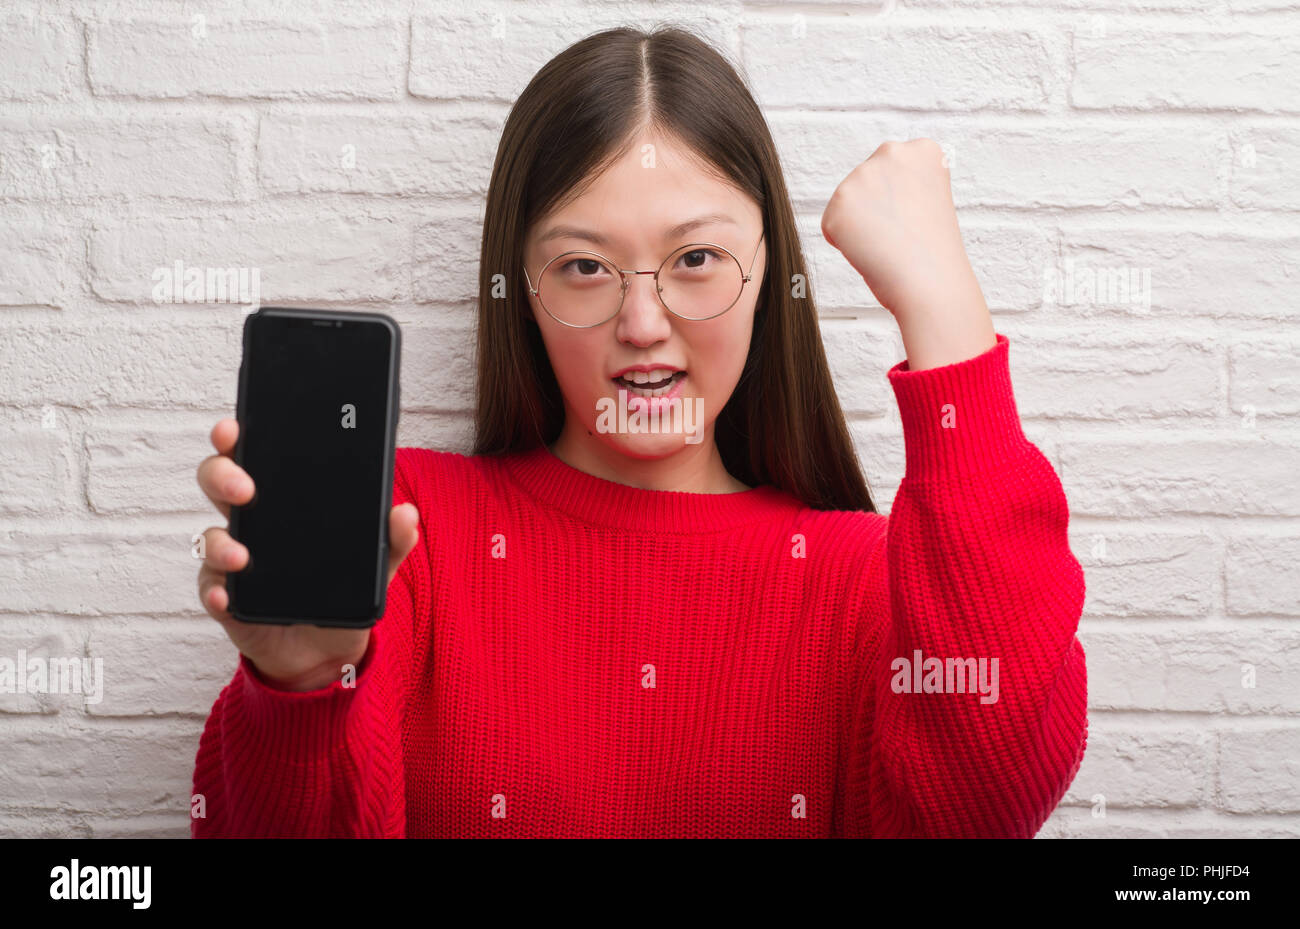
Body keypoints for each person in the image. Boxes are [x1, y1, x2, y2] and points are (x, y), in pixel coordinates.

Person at [191, 26, 1087, 838]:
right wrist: (301, 690)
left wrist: (944, 308)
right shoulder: (410, 529)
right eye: (584, 267)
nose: (644, 322)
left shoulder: (867, 582)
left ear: (768, 268)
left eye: (696, 258)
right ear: (524, 291)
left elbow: (986, 798)